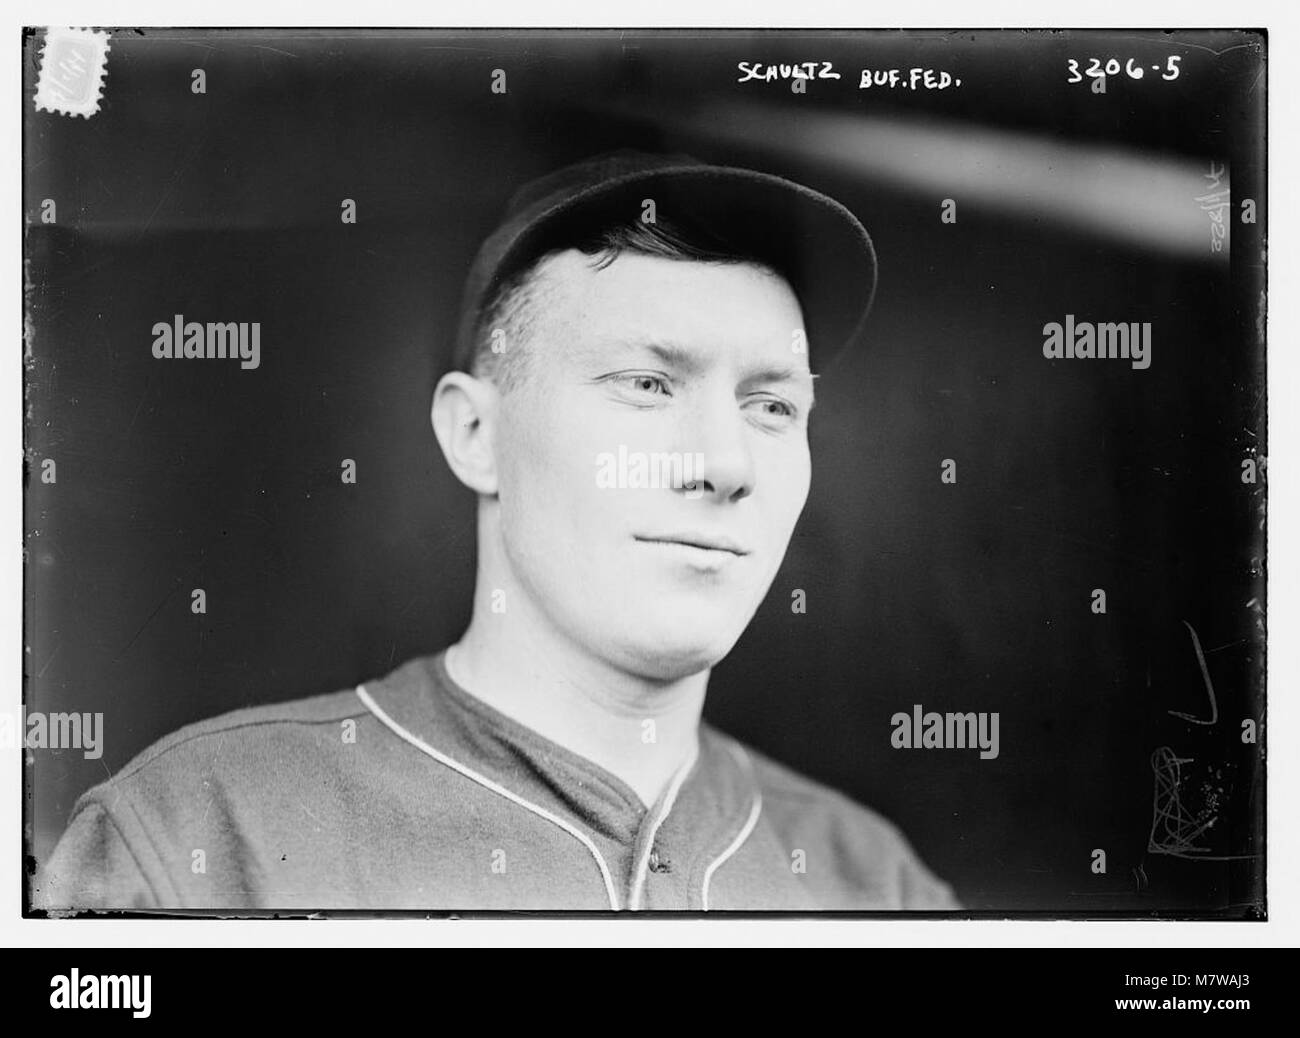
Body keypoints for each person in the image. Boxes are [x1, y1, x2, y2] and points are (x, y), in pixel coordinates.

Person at [35, 151, 958, 912]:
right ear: (476, 435)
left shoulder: (875, 882)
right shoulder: (196, 833)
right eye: (646, 383)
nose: (725, 464)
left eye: (771, 405)